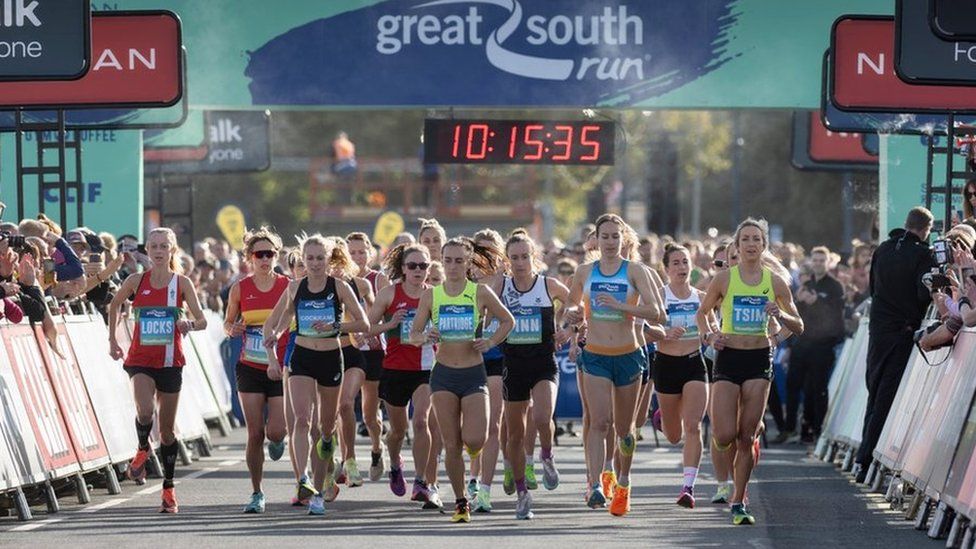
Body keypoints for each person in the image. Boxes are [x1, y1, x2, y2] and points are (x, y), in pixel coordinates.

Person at [696, 218, 803, 525]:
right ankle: (725, 477)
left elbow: (798, 325)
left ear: (763, 245)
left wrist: (779, 313)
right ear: (738, 246)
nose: (752, 244)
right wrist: (709, 335)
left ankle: (739, 500)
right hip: (728, 358)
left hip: (758, 359)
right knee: (724, 433)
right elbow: (703, 313)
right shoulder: (725, 279)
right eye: (746, 239)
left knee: (746, 436)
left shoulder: (775, 282)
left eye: (757, 239)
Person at [564, 213, 664, 516]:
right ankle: (595, 483)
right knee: (599, 422)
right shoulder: (584, 271)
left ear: (624, 239)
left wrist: (622, 306)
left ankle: (623, 482)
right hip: (595, 354)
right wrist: (572, 315)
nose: (609, 242)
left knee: (624, 429)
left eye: (615, 236)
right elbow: (572, 305)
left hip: (629, 355)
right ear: (596, 239)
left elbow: (657, 313)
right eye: (604, 236)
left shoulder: (635, 271)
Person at [409, 237, 514, 523]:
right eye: (448, 260)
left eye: (458, 260)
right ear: (440, 262)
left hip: (473, 373)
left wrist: (490, 341)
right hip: (443, 374)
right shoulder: (431, 295)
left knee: (475, 438)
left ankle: (472, 476)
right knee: (451, 443)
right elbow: (413, 333)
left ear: (468, 263)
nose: (452, 266)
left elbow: (508, 320)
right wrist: (424, 337)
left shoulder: (479, 292)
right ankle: (460, 502)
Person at [263, 234, 369, 516]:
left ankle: (321, 489)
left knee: (325, 429)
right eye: (309, 259)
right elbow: (286, 316)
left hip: (331, 358)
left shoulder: (340, 287)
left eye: (320, 258)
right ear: (302, 260)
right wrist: (275, 333)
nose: (315, 263)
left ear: (329, 259)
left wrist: (335, 325)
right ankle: (303, 480)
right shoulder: (295, 288)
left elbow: (364, 323)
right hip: (302, 356)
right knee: (300, 419)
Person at [108, 228, 208, 514]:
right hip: (140, 358)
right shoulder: (136, 280)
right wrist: (113, 340)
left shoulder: (182, 283)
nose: (159, 250)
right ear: (147, 251)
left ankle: (168, 487)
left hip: (170, 362)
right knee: (144, 412)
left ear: (172, 250)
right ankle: (142, 448)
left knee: (166, 432)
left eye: (164, 245)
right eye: (154, 246)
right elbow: (114, 304)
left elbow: (202, 320)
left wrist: (189, 323)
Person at [854, 207, 936, 483]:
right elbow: (922, 293)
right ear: (926, 229)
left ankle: (861, 459)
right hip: (902, 331)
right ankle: (866, 460)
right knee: (886, 398)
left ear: (906, 223)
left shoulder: (883, 249)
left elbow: (873, 289)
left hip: (878, 331)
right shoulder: (924, 254)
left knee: (874, 392)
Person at [495, 230, 572, 519]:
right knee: (514, 434)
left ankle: (547, 455)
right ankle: (522, 494)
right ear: (507, 260)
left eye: (525, 256)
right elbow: (480, 306)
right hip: (513, 364)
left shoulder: (547, 284)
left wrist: (566, 328)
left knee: (541, 417)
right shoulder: (501, 286)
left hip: (543, 362)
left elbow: (576, 303)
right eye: (514, 257)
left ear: (534, 257)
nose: (520, 262)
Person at [367, 244, 442, 509]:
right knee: (397, 431)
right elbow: (367, 328)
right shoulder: (389, 294)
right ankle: (396, 463)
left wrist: (438, 334)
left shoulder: (435, 295)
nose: (418, 271)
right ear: (403, 269)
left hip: (425, 368)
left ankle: (421, 481)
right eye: (413, 266)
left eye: (423, 266)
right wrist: (391, 323)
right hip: (395, 368)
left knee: (421, 422)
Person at [223, 227, 290, 513]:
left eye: (270, 254)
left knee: (276, 431)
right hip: (249, 366)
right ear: (250, 257)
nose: (265, 259)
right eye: (259, 254)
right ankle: (256, 492)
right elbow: (227, 323)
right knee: (254, 434)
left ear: (277, 256)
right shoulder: (241, 288)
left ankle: (278, 440)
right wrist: (233, 328)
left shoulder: (288, 285)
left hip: (280, 366)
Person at [646, 243, 713, 509]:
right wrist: (662, 332)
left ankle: (688, 487)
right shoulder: (658, 297)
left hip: (694, 363)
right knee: (674, 436)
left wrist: (712, 337)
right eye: (676, 263)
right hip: (666, 365)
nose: (682, 268)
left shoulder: (702, 297)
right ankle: (661, 416)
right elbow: (641, 331)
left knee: (694, 426)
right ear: (666, 268)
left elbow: (711, 327)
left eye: (685, 262)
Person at [784, 246, 845, 444]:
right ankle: (789, 428)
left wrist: (816, 301)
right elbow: (795, 314)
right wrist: (799, 301)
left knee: (818, 388)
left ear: (828, 263)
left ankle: (817, 429)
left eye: (822, 260)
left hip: (823, 345)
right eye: (815, 260)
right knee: (793, 385)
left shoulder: (835, 286)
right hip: (802, 342)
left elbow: (836, 312)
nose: (818, 263)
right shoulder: (805, 284)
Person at [468, 228, 507, 513]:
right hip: (464, 358)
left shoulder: (510, 282)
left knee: (493, 424)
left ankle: (484, 488)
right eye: (480, 250)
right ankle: (471, 474)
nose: (485, 257)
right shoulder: (462, 281)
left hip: (498, 357)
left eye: (491, 251)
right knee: (470, 429)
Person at [346, 232, 390, 483]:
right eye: (352, 252)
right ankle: (347, 458)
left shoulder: (378, 279)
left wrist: (369, 330)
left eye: (361, 252)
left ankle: (376, 448)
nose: (357, 257)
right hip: (349, 349)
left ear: (369, 254)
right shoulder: (340, 280)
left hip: (373, 349)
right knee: (345, 404)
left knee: (370, 412)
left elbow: (383, 313)